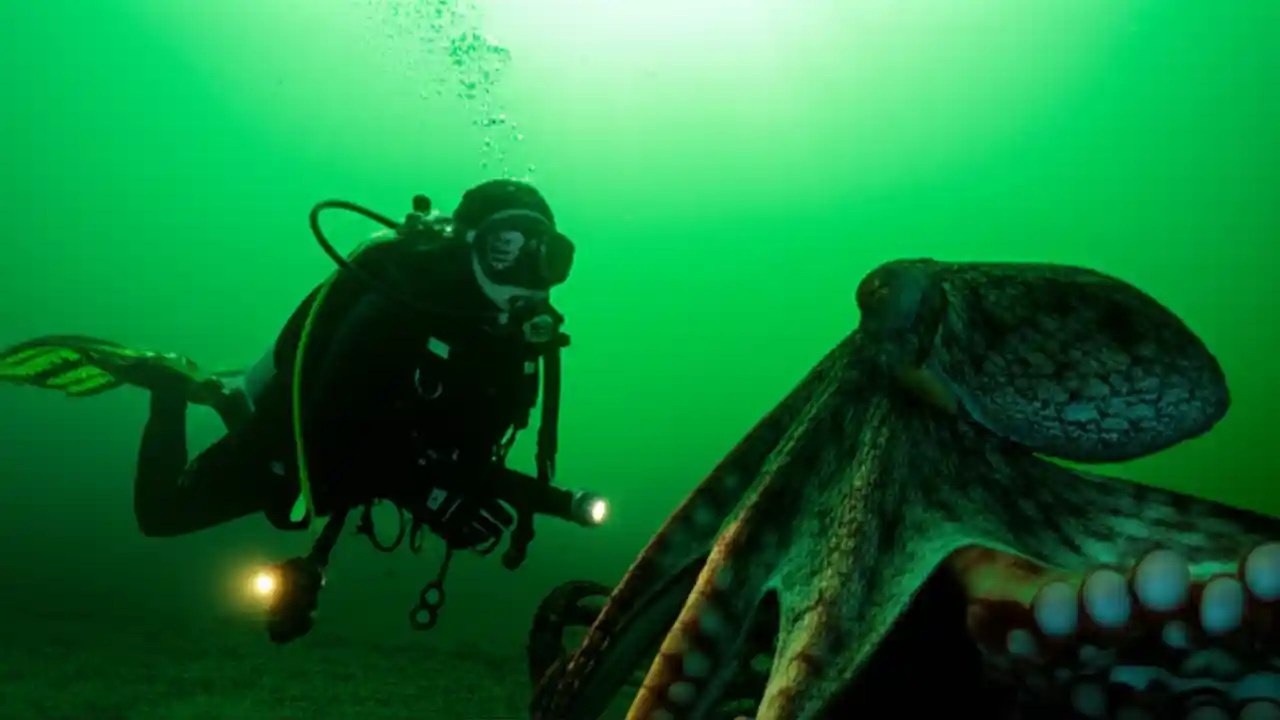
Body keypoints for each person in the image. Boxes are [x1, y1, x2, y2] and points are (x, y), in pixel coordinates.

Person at [0, 179, 603, 638]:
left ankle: (306, 558)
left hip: (375, 465)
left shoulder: (513, 339)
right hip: (294, 439)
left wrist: (561, 504)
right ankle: (172, 386)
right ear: (465, 245)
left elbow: (455, 451)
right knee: (161, 514)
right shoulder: (395, 305)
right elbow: (330, 428)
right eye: (507, 248)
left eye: (550, 255)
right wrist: (433, 498)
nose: (529, 274)